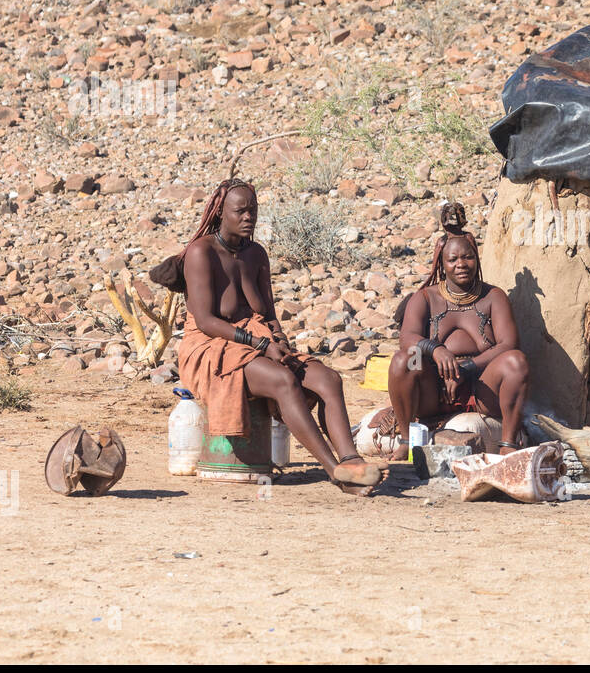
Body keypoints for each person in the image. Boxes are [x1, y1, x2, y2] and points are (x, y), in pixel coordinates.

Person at [176, 179, 383, 495]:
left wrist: (280, 341)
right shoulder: (201, 252)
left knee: (328, 379)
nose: (249, 218)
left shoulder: (256, 254)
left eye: (253, 211)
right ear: (220, 213)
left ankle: (351, 460)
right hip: (211, 346)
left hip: (257, 340)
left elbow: (269, 313)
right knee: (283, 381)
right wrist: (261, 345)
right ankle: (336, 473)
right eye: (240, 211)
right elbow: (205, 321)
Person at [388, 202, 529, 455]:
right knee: (404, 360)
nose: (461, 264)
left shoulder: (493, 297)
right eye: (452, 259)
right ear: (442, 264)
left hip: (482, 388)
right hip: (435, 390)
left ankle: (507, 443)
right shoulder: (426, 297)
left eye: (468, 257)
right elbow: (406, 338)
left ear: (476, 259)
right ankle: (406, 438)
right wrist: (436, 350)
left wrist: (466, 368)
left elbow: (508, 344)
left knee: (516, 361)